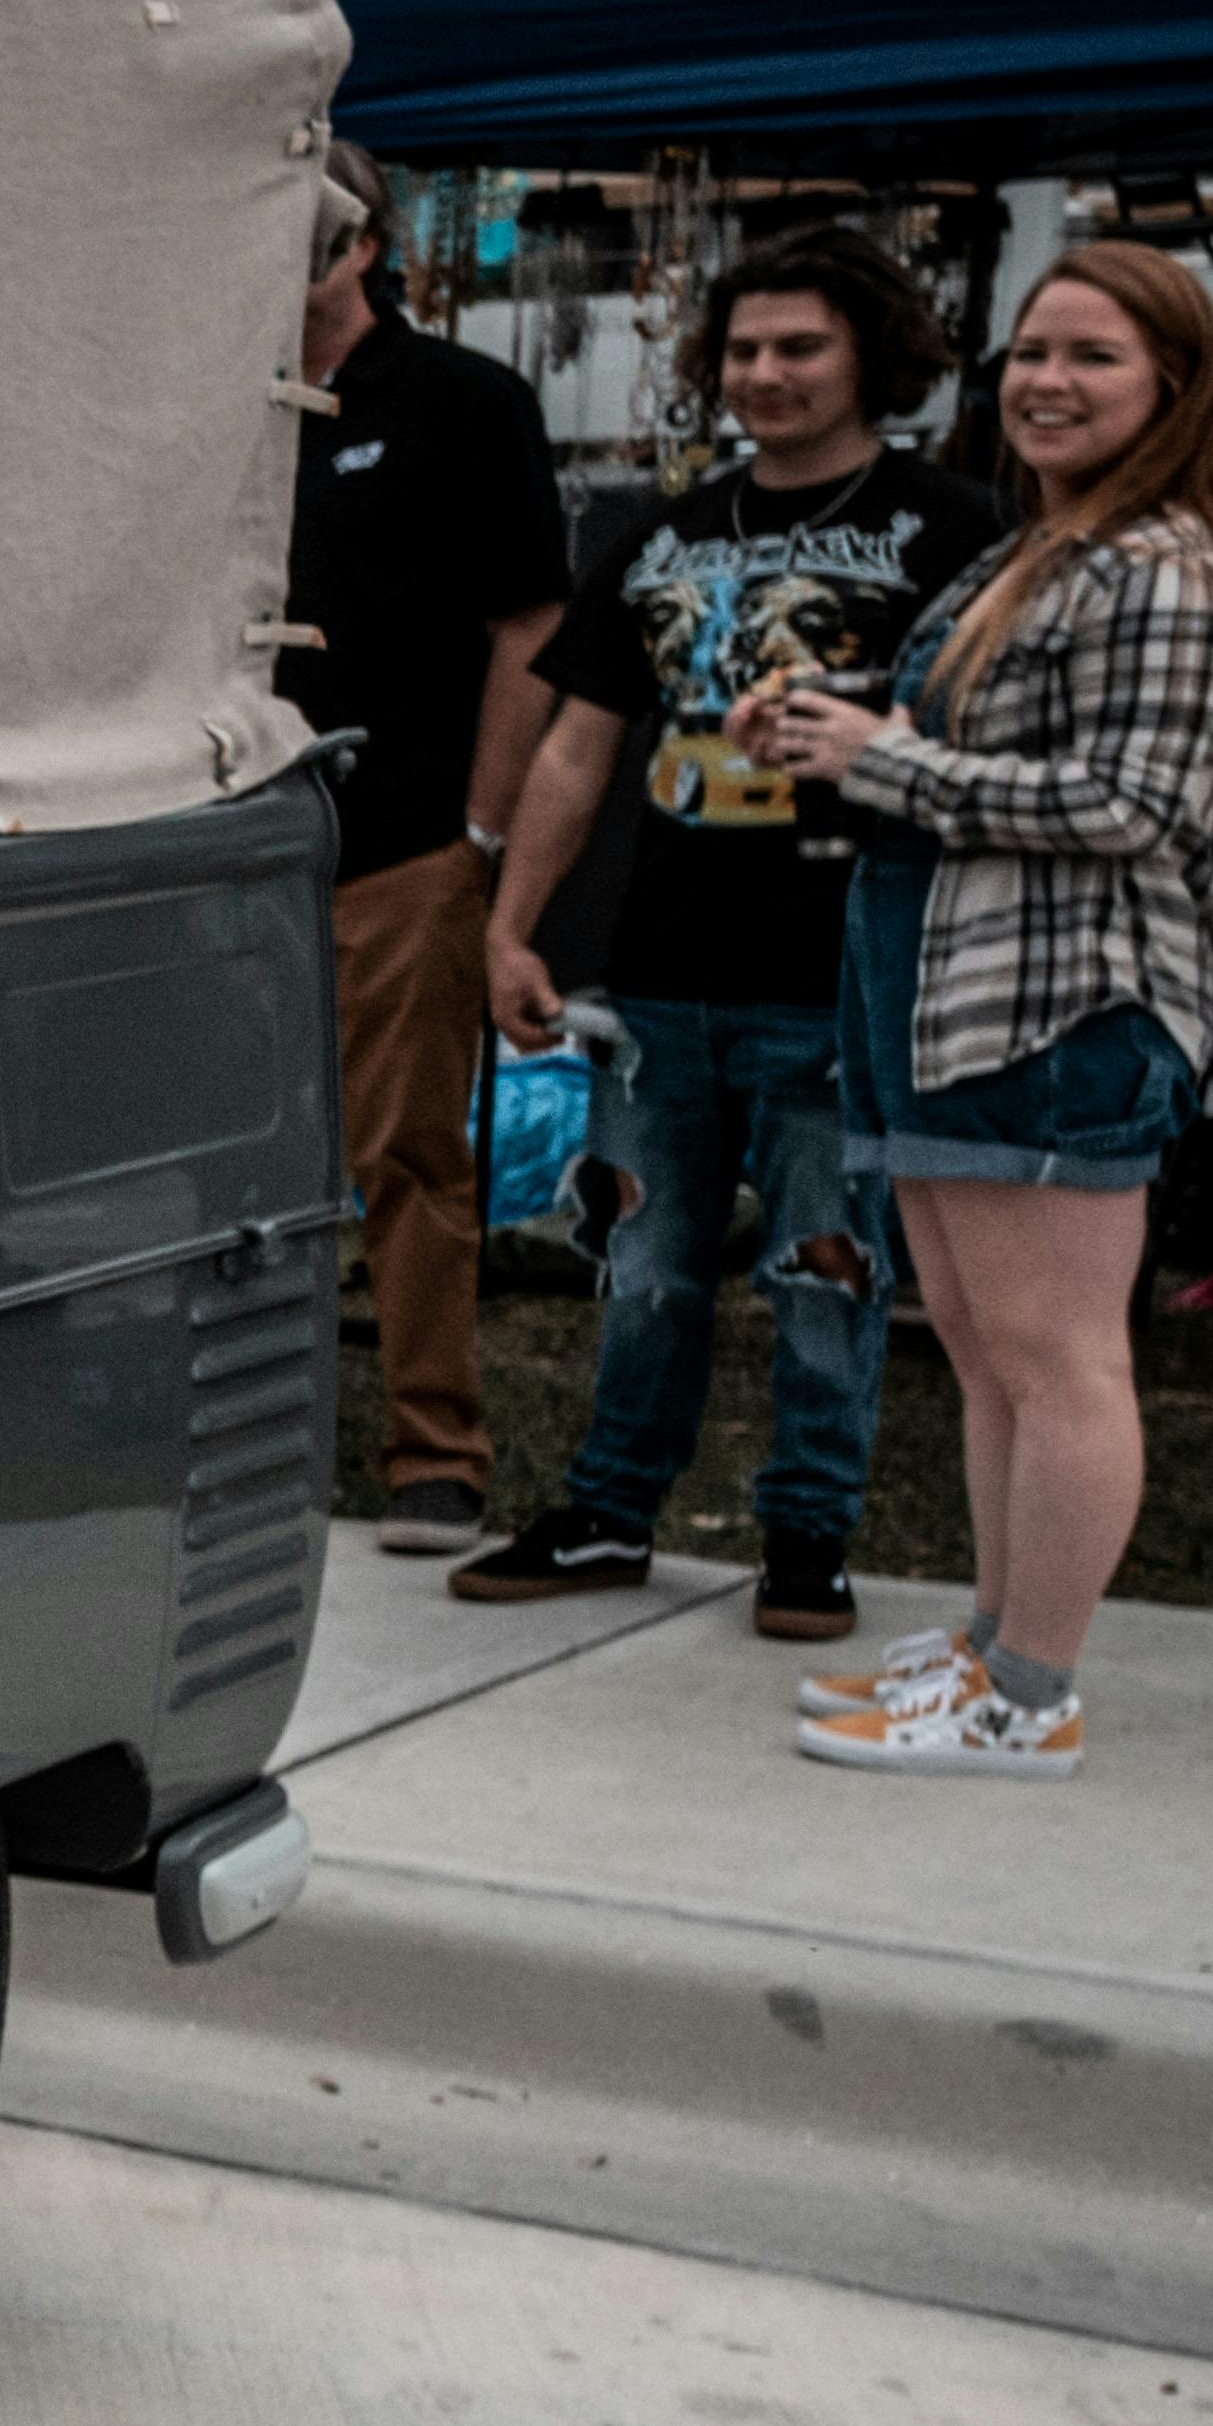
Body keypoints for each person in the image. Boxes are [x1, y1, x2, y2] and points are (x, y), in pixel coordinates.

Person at [761, 244, 1213, 1777]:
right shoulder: (1041, 550)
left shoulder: (1161, 567)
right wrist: (824, 730)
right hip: (942, 1001)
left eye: (1093, 358)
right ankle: (997, 1642)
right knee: (989, 1359)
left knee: (1059, 1363)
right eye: (1031, 352)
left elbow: (1134, 804)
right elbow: (963, 751)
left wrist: (882, 761)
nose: (1045, 382)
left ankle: (1033, 1694)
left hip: (1058, 1013)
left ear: (1174, 391)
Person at [449, 232, 1002, 1640]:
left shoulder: (957, 532)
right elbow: (578, 748)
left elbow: (994, 745)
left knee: (828, 1269)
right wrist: (511, 928)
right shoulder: (665, 532)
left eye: (798, 347)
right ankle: (609, 1513)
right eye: (743, 350)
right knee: (641, 1266)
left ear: (871, 353)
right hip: (662, 978)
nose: (763, 374)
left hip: (846, 977)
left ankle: (808, 1538)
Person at [285, 148, 575, 1558]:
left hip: (402, 837)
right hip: (227, 847)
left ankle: (431, 1455)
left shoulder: (463, 401)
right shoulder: (207, 412)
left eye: (309, 229)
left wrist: (481, 827)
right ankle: (237, 1446)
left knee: (410, 1156)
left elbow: (531, 624)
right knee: (220, 1169)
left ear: (364, 242)